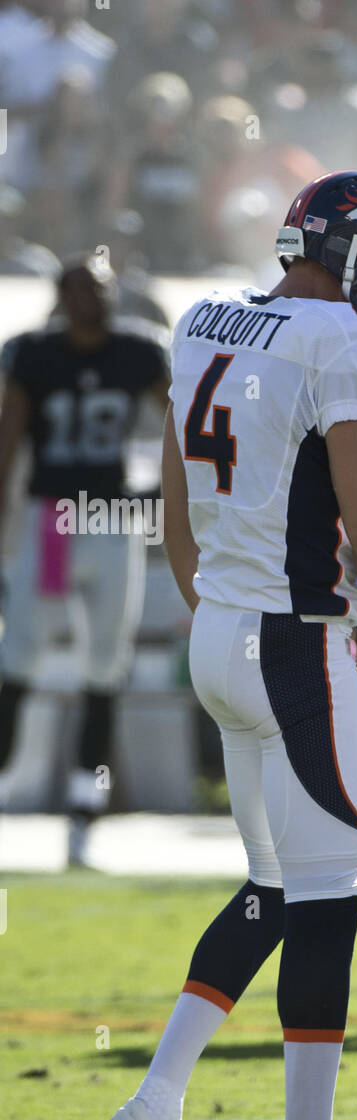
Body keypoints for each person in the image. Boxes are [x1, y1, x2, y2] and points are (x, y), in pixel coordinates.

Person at [103, 171, 357, 1120]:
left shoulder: (203, 319)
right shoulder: (346, 343)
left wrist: (223, 613)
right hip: (294, 648)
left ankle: (157, 1099)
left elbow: (175, 514)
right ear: (355, 253)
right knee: (329, 899)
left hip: (217, 634)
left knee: (275, 887)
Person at [0, 253, 169, 865]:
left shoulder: (139, 351)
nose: (87, 301)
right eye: (76, 290)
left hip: (112, 518)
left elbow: (182, 426)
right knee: (18, 659)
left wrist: (180, 501)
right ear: (58, 297)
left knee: (106, 669)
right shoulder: (32, 354)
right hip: (52, 521)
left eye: (96, 289)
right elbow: (8, 441)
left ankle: (83, 812)